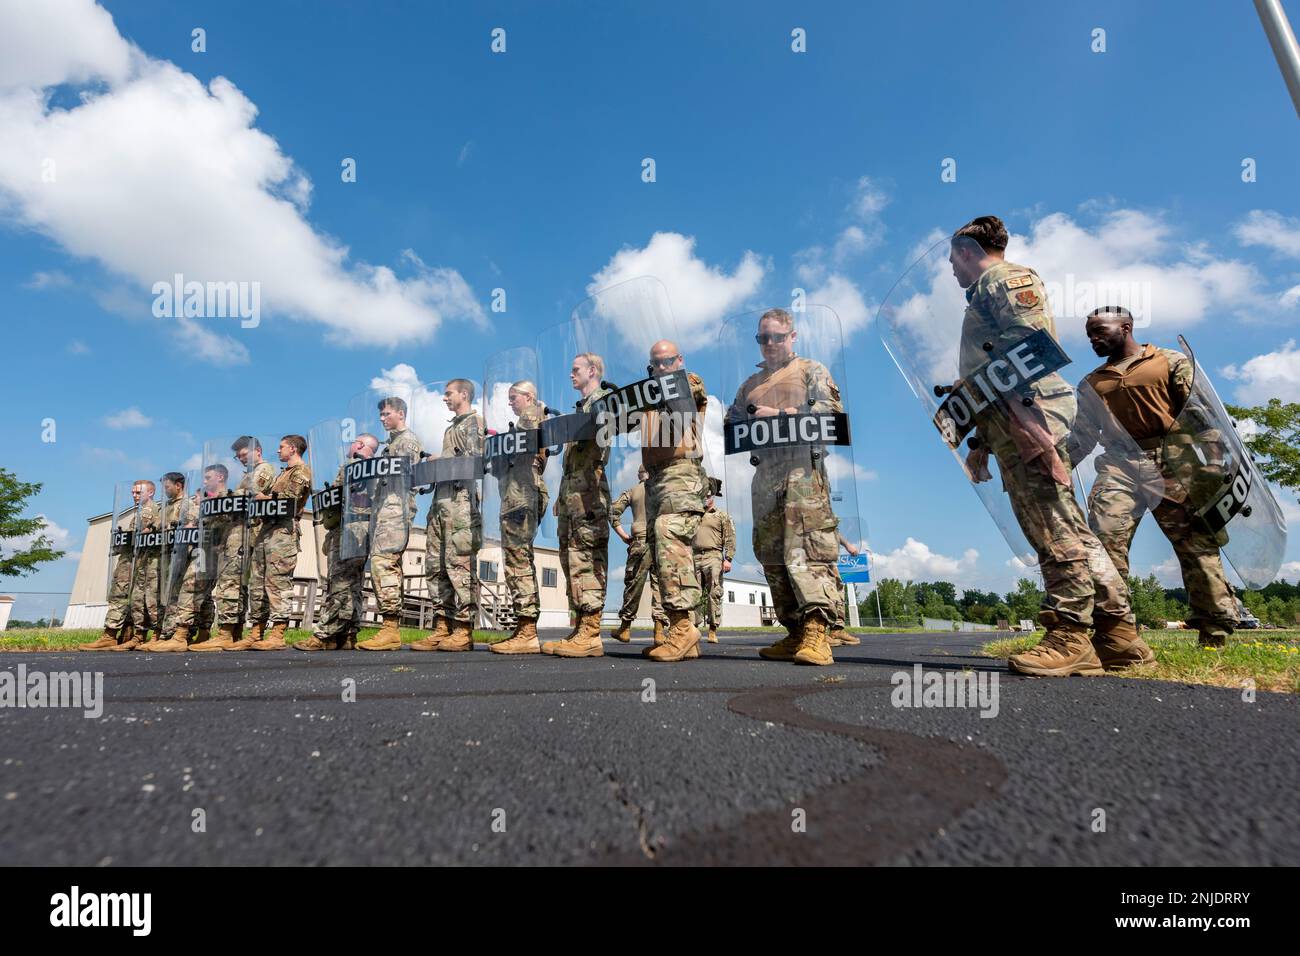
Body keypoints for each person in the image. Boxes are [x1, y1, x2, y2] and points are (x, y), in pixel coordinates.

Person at [947, 215, 1139, 676]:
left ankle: (1072, 635)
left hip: (1027, 413)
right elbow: (993, 372)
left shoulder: (1006, 279)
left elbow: (1027, 351)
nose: (951, 270)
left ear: (968, 250)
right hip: (1010, 417)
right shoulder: (987, 292)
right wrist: (980, 439)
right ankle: (1118, 634)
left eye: (953, 259)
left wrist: (1031, 428)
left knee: (1050, 524)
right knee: (1069, 523)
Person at [1070, 306, 1233, 653]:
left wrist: (1215, 463)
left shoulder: (1169, 362)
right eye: (1089, 334)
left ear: (1126, 327)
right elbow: (1081, 437)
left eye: (1100, 330)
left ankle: (1213, 633)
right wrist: (1053, 467)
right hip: (1118, 465)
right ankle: (1114, 632)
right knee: (1102, 545)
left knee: (1195, 546)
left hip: (1174, 463)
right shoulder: (1092, 383)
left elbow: (1201, 414)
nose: (1093, 339)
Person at [727, 308, 845, 666]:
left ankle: (817, 632)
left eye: (777, 337)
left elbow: (832, 415)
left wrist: (780, 416)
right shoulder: (749, 384)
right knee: (772, 552)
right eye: (763, 338)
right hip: (765, 474)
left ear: (792, 337)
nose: (770, 344)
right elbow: (732, 422)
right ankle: (794, 632)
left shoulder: (811, 370)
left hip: (802, 471)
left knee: (807, 548)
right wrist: (745, 418)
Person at [641, 339, 711, 662]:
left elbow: (689, 394)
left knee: (670, 536)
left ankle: (684, 629)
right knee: (661, 553)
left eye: (668, 361)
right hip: (656, 479)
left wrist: (653, 387)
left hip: (682, 476)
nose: (662, 367)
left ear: (679, 360)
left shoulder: (687, 382)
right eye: (656, 363)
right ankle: (684, 636)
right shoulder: (649, 398)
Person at [542, 353, 613, 657]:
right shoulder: (579, 410)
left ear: (592, 371)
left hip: (589, 494)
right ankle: (580, 625)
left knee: (587, 556)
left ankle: (591, 632)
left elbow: (604, 431)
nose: (570, 375)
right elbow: (571, 460)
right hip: (571, 495)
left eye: (576, 370)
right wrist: (560, 495)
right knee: (570, 558)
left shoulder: (604, 401)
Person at [415, 379, 484, 653]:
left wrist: (438, 461)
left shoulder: (474, 422)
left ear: (463, 394)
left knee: (460, 564)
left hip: (461, 504)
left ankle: (464, 630)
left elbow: (473, 460)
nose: (444, 398)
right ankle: (442, 625)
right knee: (436, 566)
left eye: (448, 393)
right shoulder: (450, 428)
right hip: (440, 503)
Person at [296, 433, 379, 652]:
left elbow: (336, 498)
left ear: (360, 445)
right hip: (365, 529)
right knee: (354, 584)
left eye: (354, 442)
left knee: (338, 582)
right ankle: (347, 634)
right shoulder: (377, 471)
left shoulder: (352, 465)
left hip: (347, 528)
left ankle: (324, 635)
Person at [192, 436, 275, 651]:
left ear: (257, 450)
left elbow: (251, 495)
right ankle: (234, 631)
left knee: (230, 583)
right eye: (237, 456)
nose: (239, 458)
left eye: (243, 454)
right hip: (235, 534)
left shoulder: (263, 470)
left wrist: (223, 496)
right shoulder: (248, 474)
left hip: (244, 534)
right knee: (234, 583)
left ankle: (225, 632)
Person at [489, 380, 550, 655]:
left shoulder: (534, 413)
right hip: (514, 495)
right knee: (516, 559)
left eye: (514, 397)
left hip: (522, 496)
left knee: (518, 560)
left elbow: (532, 430)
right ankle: (524, 628)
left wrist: (501, 442)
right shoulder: (523, 424)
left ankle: (527, 631)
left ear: (528, 396)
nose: (510, 402)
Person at [358, 397, 423, 651]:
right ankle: (389, 627)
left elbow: (405, 477)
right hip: (383, 510)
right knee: (380, 562)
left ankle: (391, 629)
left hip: (396, 510)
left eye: (387, 414)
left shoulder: (407, 441)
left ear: (401, 413)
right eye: (381, 415)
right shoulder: (389, 445)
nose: (382, 419)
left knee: (384, 562)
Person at [247, 435, 312, 650]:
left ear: (293, 449)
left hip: (283, 533)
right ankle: (256, 630)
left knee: (278, 582)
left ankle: (278, 632)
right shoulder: (283, 473)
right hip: (266, 531)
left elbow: (290, 498)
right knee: (258, 583)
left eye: (282, 447)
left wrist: (263, 498)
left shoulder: (302, 471)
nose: (278, 451)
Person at [80, 479, 156, 651]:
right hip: (128, 560)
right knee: (123, 597)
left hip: (134, 562)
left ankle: (111, 635)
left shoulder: (148, 511)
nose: (134, 495)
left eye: (138, 492)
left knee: (121, 596)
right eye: (133, 492)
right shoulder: (140, 511)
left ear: (150, 492)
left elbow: (141, 537)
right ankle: (119, 634)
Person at [141, 472, 199, 652]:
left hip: (182, 557)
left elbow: (190, 529)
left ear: (178, 486)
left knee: (179, 596)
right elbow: (155, 526)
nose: (165, 491)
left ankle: (179, 635)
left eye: (167, 487)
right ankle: (166, 634)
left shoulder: (187, 505)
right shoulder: (166, 507)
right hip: (166, 558)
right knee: (168, 596)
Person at [608, 465, 666, 645]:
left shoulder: (633, 491)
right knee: (660, 587)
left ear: (639, 475)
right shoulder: (662, 488)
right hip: (661, 542)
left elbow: (612, 512)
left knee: (633, 584)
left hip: (639, 540)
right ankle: (659, 632)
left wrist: (624, 535)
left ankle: (625, 628)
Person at [691, 488, 735, 644]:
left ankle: (712, 629)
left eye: (708, 496)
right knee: (693, 594)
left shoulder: (721, 515)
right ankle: (693, 629)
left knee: (714, 592)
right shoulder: (694, 515)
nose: (705, 499)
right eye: (703, 496)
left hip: (714, 556)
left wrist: (728, 558)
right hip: (694, 556)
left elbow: (729, 537)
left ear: (713, 497)